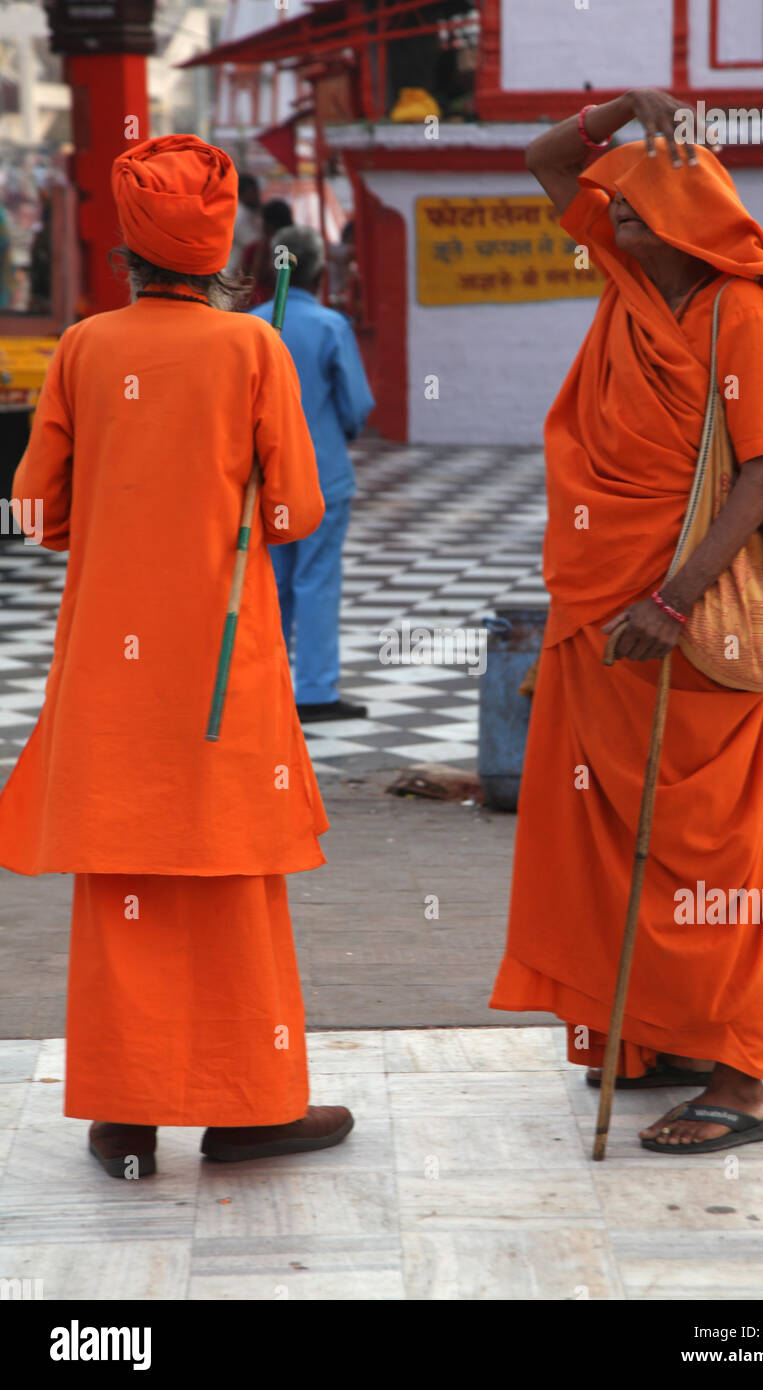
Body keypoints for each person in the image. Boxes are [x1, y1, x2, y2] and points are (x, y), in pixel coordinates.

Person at [0, 134, 353, 1178]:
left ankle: (124, 1112)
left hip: (109, 672)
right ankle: (250, 1107)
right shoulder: (251, 350)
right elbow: (293, 512)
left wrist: (112, 519)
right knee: (232, 882)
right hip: (219, 672)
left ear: (126, 255)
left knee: (126, 883)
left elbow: (33, 507)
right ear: (223, 253)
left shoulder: (81, 345)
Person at [489, 89, 763, 1154]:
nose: (612, 221)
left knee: (714, 851)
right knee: (617, 837)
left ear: (683, 221)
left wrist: (669, 601)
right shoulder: (633, 282)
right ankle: (655, 1033)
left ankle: (740, 1078)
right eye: (617, 212)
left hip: (687, 619)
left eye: (634, 210)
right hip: (600, 611)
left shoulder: (736, 309)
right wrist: (626, 110)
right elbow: (548, 163)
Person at [251, 224, 375, 722]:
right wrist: (337, 430)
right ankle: (316, 691)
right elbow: (357, 405)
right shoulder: (330, 326)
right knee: (317, 580)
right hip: (322, 476)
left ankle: (268, 687)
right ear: (319, 271)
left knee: (271, 586)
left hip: (264, 480)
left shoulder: (253, 327)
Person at [241, 197, 293, 306]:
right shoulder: (255, 249)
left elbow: (243, 280)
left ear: (268, 224)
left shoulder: (256, 249)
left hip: (259, 305)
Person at [226, 170, 261, 273]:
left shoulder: (250, 212)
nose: (256, 195)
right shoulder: (238, 215)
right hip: (232, 274)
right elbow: (252, 242)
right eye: (252, 191)